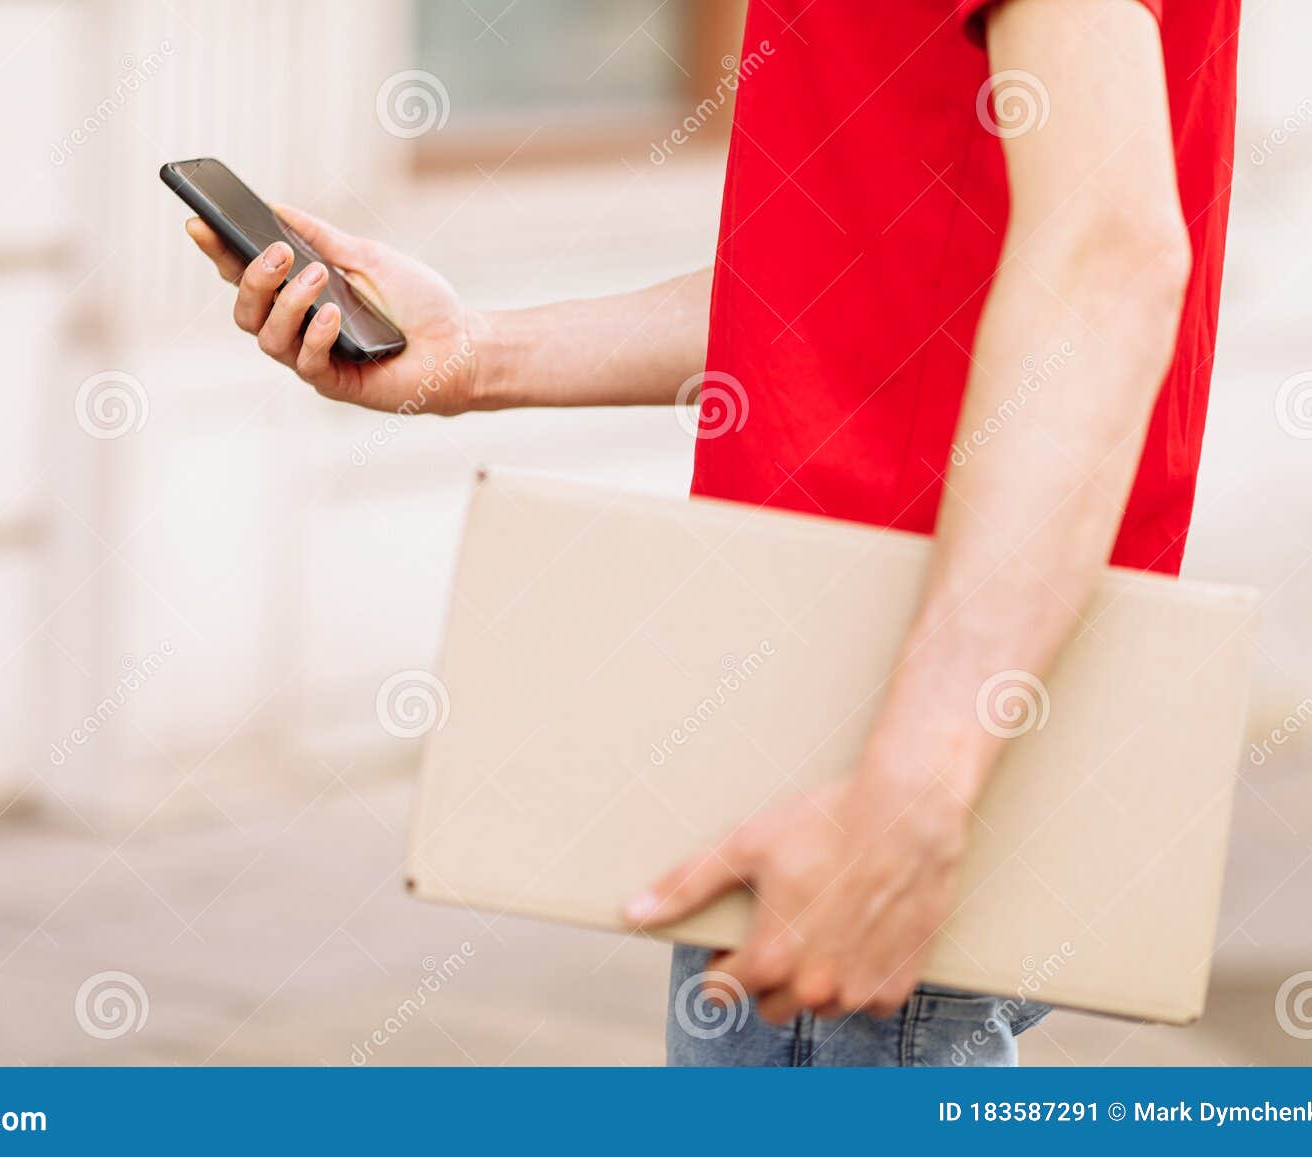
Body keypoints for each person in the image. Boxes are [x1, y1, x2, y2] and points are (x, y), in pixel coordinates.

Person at [185, 0, 1240, 1066]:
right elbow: (866, 282)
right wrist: (479, 356)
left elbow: (1111, 256)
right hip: (860, 705)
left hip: (868, 727)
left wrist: (914, 788)